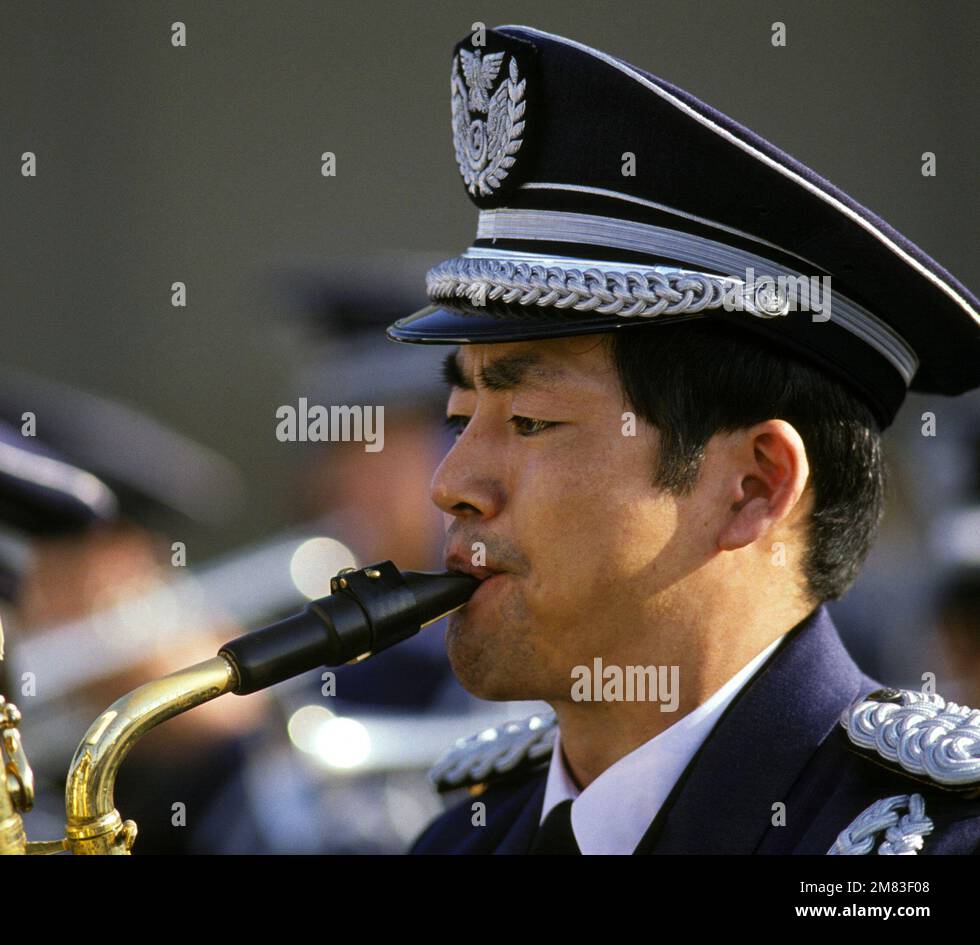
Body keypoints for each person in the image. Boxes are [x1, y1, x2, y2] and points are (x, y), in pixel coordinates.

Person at [395, 27, 980, 854]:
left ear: (754, 485)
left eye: (530, 420)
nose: (450, 482)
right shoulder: (459, 841)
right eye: (461, 418)